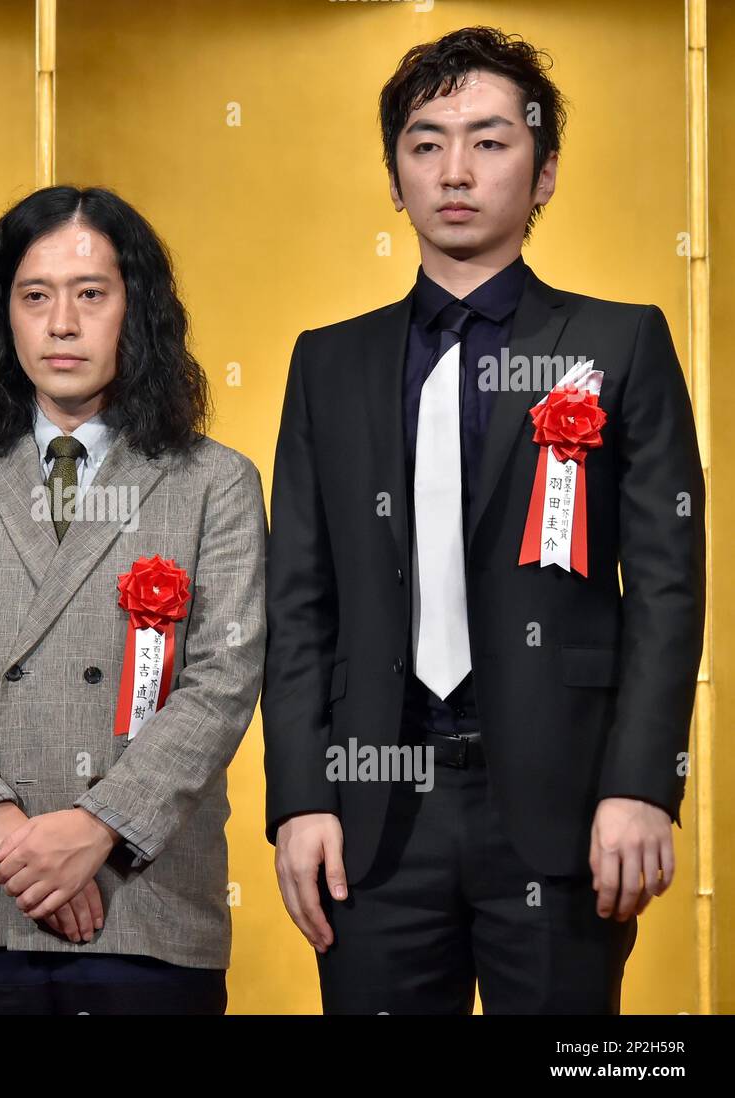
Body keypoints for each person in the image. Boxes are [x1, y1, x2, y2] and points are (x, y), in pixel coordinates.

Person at [263, 26, 705, 1014]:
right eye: (424, 144)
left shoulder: (618, 341)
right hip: (374, 815)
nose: (453, 169)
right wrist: (297, 796)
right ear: (393, 178)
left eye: (489, 141)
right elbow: (297, 600)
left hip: (563, 808)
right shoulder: (325, 363)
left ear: (544, 173)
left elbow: (668, 589)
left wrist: (642, 784)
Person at [0, 185, 265, 1015]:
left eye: (91, 295)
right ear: (1, 316)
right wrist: (18, 841)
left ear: (138, 309)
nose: (61, 324)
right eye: (35, 296)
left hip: (149, 901)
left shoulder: (214, 481)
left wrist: (95, 831)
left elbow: (223, 681)